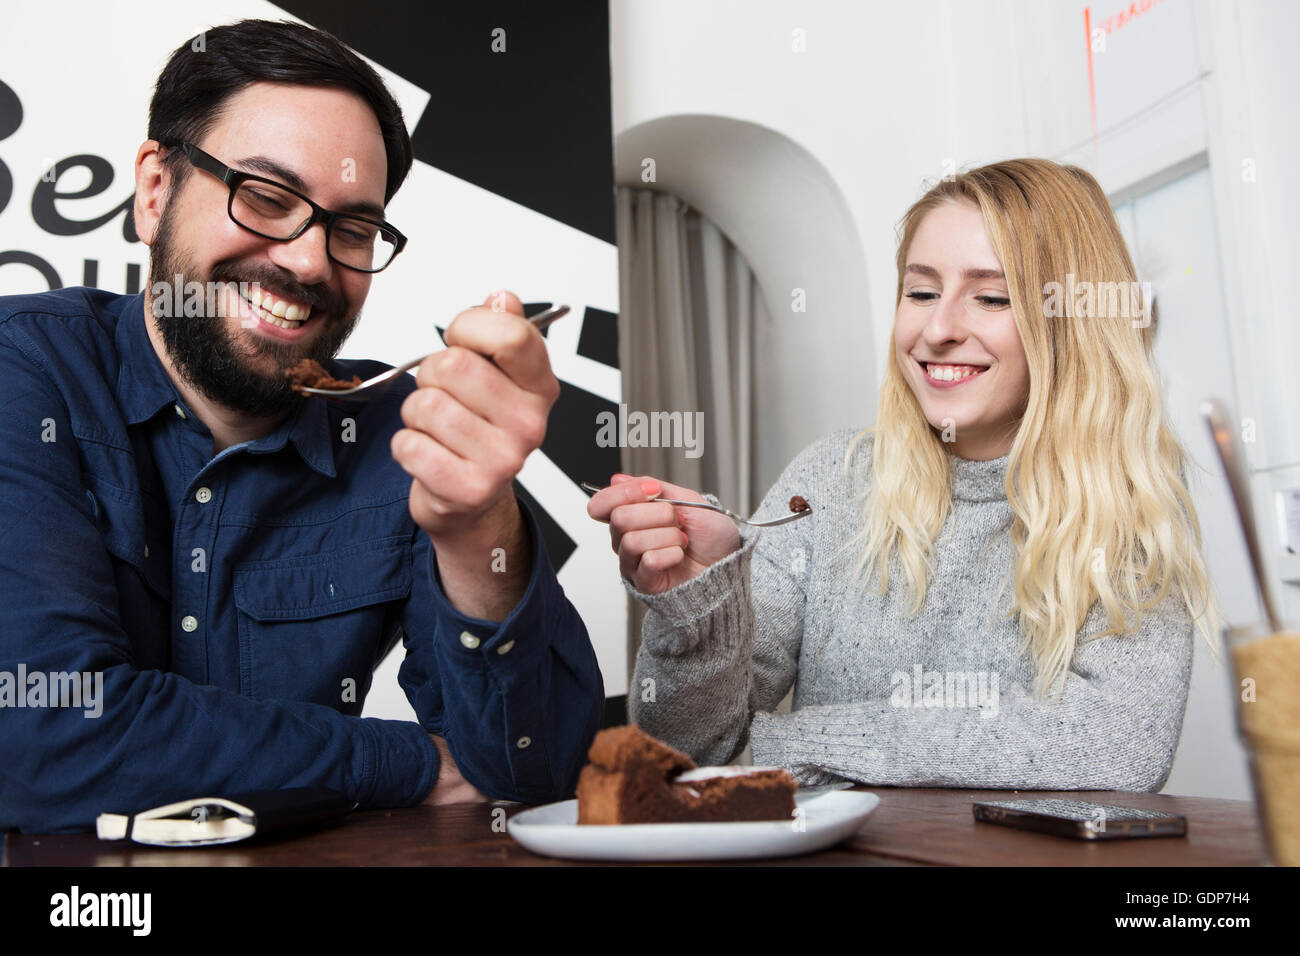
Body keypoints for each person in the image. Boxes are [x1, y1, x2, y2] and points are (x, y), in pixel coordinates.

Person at [0, 19, 603, 833]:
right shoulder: (24, 372)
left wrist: (475, 524)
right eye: (266, 198)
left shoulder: (403, 433)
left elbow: (532, 772)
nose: (310, 262)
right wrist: (414, 761)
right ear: (154, 192)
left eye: (352, 228)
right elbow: (45, 743)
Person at [589, 158, 1223, 791]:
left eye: (992, 297)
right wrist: (700, 605)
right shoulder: (828, 481)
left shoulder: (1130, 497)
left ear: (1069, 324)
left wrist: (780, 744)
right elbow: (685, 757)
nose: (938, 328)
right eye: (920, 292)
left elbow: (1117, 750)